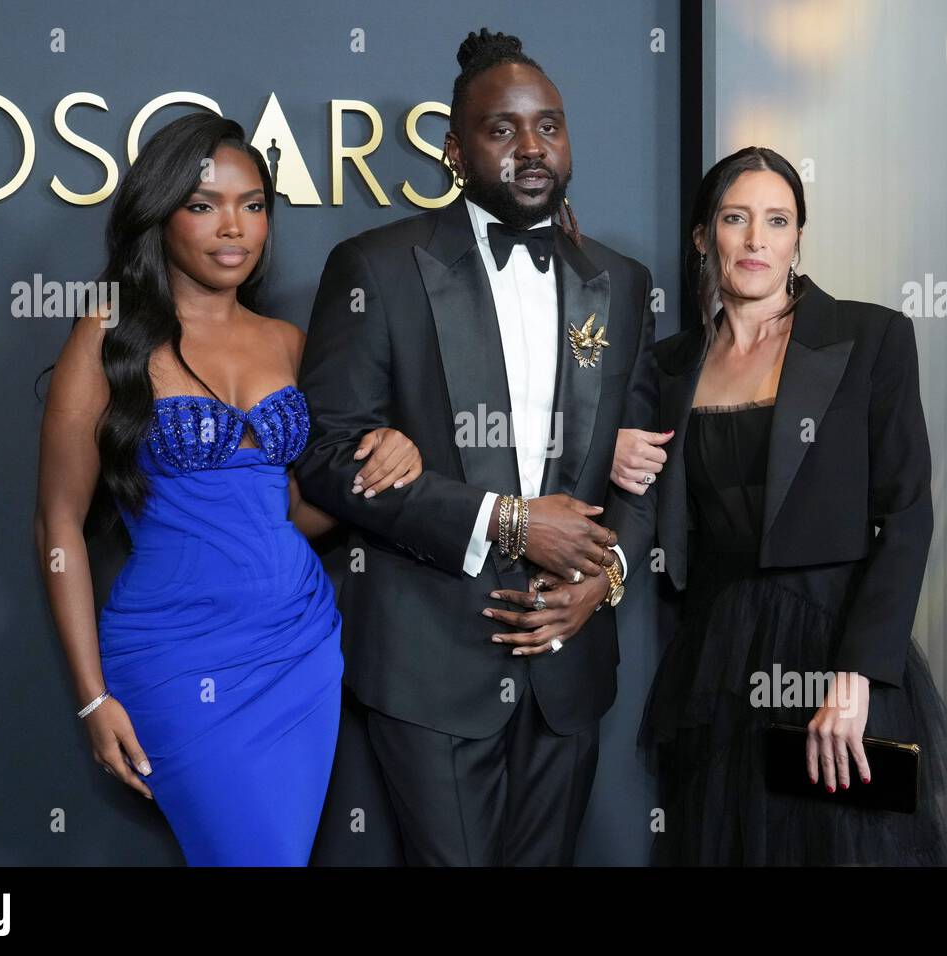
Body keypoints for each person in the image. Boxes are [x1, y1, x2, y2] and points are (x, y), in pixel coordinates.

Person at [294, 28, 658, 866]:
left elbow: (637, 468)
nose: (532, 147)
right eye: (503, 129)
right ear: (457, 149)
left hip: (568, 660)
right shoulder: (377, 267)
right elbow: (327, 455)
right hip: (430, 658)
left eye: (550, 126)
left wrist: (607, 578)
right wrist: (506, 522)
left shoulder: (623, 282)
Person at [34, 113, 421, 866]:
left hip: (300, 648)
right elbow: (57, 524)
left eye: (252, 205)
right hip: (177, 656)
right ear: (161, 213)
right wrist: (90, 695)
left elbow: (294, 512)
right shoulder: (108, 334)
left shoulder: (288, 342)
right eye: (205, 205)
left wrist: (387, 457)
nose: (233, 228)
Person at [617, 146, 947, 864]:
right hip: (717, 666)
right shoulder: (668, 367)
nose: (756, 240)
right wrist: (612, 457)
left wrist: (857, 675)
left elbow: (906, 516)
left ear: (798, 237)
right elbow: (630, 495)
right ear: (703, 235)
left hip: (837, 652)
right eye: (736, 219)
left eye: (778, 220)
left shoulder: (871, 338)